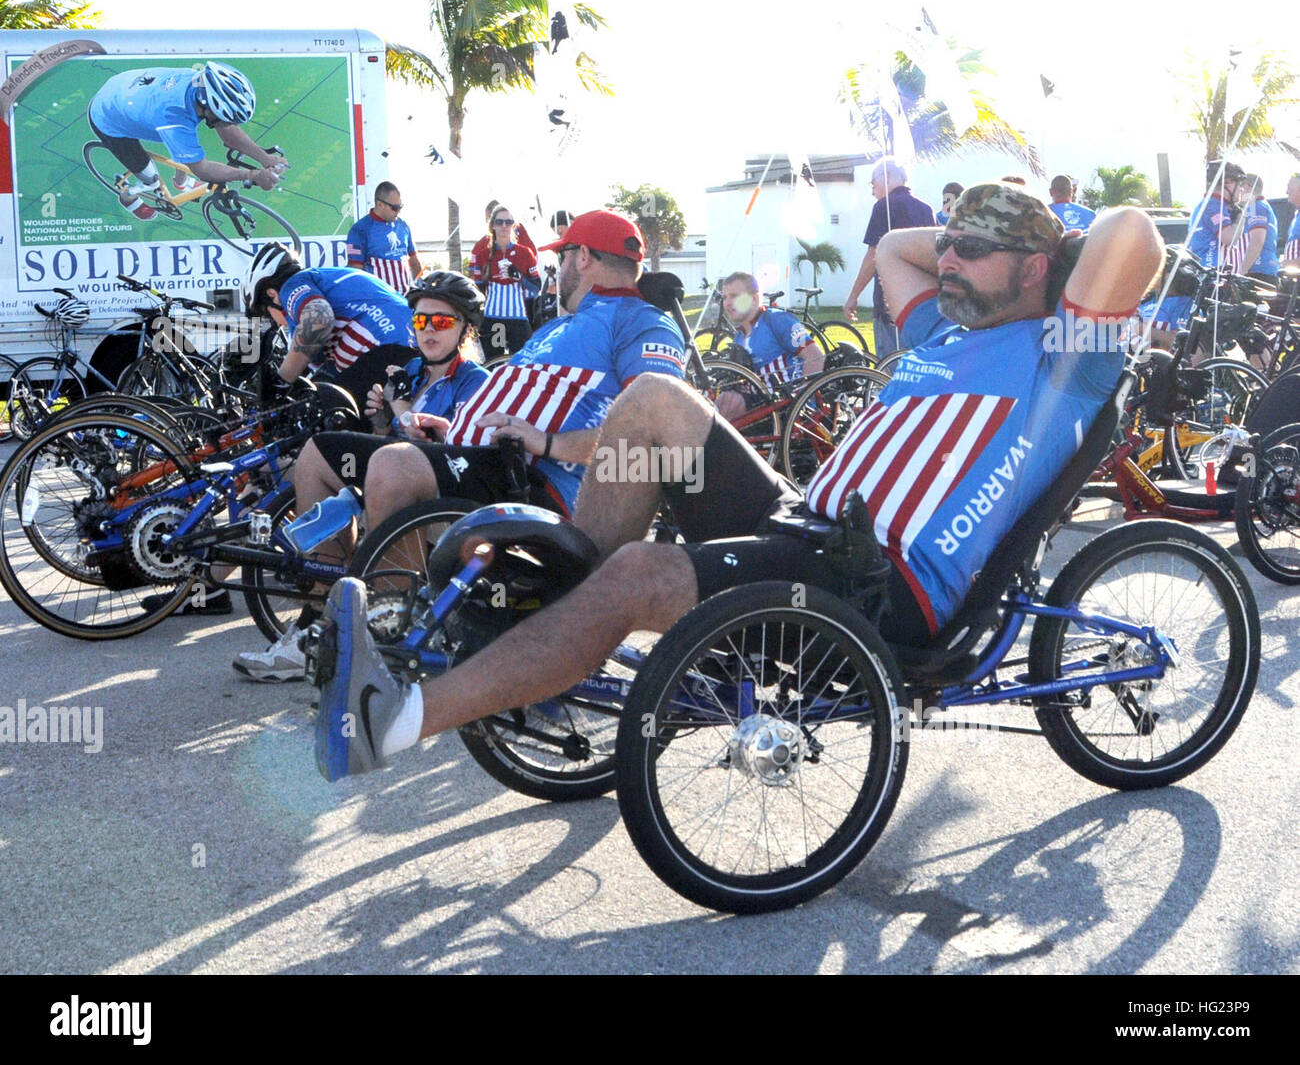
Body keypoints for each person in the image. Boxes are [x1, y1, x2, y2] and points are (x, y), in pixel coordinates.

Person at [311, 183, 1164, 781]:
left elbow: (1134, 236)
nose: (945, 261)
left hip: (876, 585)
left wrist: (1056, 244)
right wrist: (966, 229)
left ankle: (391, 724)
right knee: (653, 405)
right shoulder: (947, 325)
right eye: (947, 244)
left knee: (638, 579)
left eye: (972, 250)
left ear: (1036, 267)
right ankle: (554, 605)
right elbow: (895, 248)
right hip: (807, 523)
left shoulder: (1068, 360)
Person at [356, 209, 688, 538]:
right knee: (320, 454)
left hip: (531, 485)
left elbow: (658, 435)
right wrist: (454, 429)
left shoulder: (643, 321)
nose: (559, 273)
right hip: (484, 459)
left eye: (562, 258)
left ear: (583, 256)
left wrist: (545, 442)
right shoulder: (563, 323)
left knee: (392, 465)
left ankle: (389, 591)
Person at [234, 272, 489, 681]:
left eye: (441, 321)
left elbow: (466, 457)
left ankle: (381, 630)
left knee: (370, 468)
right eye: (420, 321)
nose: (428, 330)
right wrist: (382, 419)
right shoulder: (411, 370)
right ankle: (317, 618)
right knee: (316, 454)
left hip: (439, 501)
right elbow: (384, 442)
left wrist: (405, 411)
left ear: (465, 327)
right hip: (397, 480)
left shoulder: (475, 381)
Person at [87, 61, 287, 220]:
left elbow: (228, 131)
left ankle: (180, 182)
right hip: (108, 116)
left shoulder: (200, 84)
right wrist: (252, 174)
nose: (228, 124)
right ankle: (128, 196)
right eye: (225, 117)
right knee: (151, 178)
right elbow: (202, 169)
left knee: (186, 147)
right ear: (207, 106)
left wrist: (265, 158)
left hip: (128, 92)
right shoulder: (174, 119)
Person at [242, 242, 418, 409]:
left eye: (267, 314)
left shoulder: (292, 284)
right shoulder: (325, 280)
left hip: (387, 349)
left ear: (272, 295)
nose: (276, 323)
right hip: (411, 346)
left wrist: (281, 382)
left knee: (324, 426)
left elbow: (320, 319)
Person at [843, 157, 934, 356]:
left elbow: (873, 255)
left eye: (872, 183)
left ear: (886, 177)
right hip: (924, 306)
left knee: (889, 372)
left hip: (891, 305)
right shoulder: (926, 209)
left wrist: (853, 296)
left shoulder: (884, 207)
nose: (872, 190)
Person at [714, 270, 823, 420]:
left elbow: (815, 357)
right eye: (725, 297)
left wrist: (802, 404)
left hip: (786, 405)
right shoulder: (738, 337)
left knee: (728, 403)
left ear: (754, 299)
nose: (727, 303)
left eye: (734, 296)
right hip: (760, 405)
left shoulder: (777, 320)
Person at [470, 205, 541, 359]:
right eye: (499, 222)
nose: (504, 226)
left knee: (520, 366)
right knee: (494, 365)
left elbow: (536, 288)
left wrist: (519, 277)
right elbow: (478, 290)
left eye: (508, 222)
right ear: (492, 225)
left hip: (518, 319)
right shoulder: (482, 255)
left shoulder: (525, 253)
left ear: (514, 225)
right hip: (493, 319)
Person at [346, 182, 422, 292]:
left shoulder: (403, 225)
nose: (398, 211)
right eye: (394, 208)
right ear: (380, 204)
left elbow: (414, 260)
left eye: (400, 206)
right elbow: (356, 270)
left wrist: (420, 285)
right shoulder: (360, 229)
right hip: (379, 298)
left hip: (405, 298)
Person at [1186, 161, 1244, 268]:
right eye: (1239, 184)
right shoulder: (1213, 206)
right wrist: (1240, 219)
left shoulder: (1212, 204)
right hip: (1212, 274)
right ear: (1228, 183)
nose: (1241, 189)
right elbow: (1229, 238)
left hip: (1211, 271)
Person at [1228, 174, 1278, 286]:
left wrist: (1242, 271)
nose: (1239, 190)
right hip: (1261, 270)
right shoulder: (1261, 206)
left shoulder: (1257, 207)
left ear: (1248, 186)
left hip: (1257, 271)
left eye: (1241, 186)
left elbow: (1257, 241)